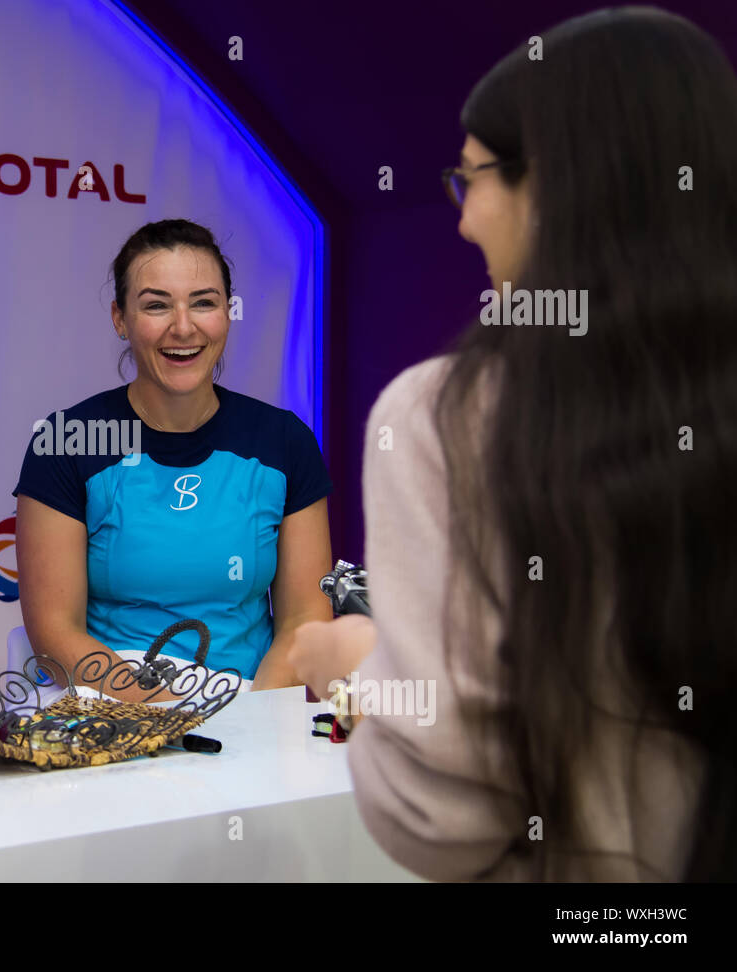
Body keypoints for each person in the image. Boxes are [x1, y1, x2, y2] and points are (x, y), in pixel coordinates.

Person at [289, 7, 736, 881]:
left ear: (560, 183)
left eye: (471, 181)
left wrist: (355, 669)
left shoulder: (440, 420)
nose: (461, 223)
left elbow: (446, 808)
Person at [14, 219, 334, 701]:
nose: (183, 327)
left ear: (228, 313)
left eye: (204, 302)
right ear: (120, 318)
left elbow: (306, 619)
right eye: (156, 305)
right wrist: (178, 715)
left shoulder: (284, 440)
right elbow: (54, 636)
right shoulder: (67, 441)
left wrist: (248, 714)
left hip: (251, 719)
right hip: (112, 725)